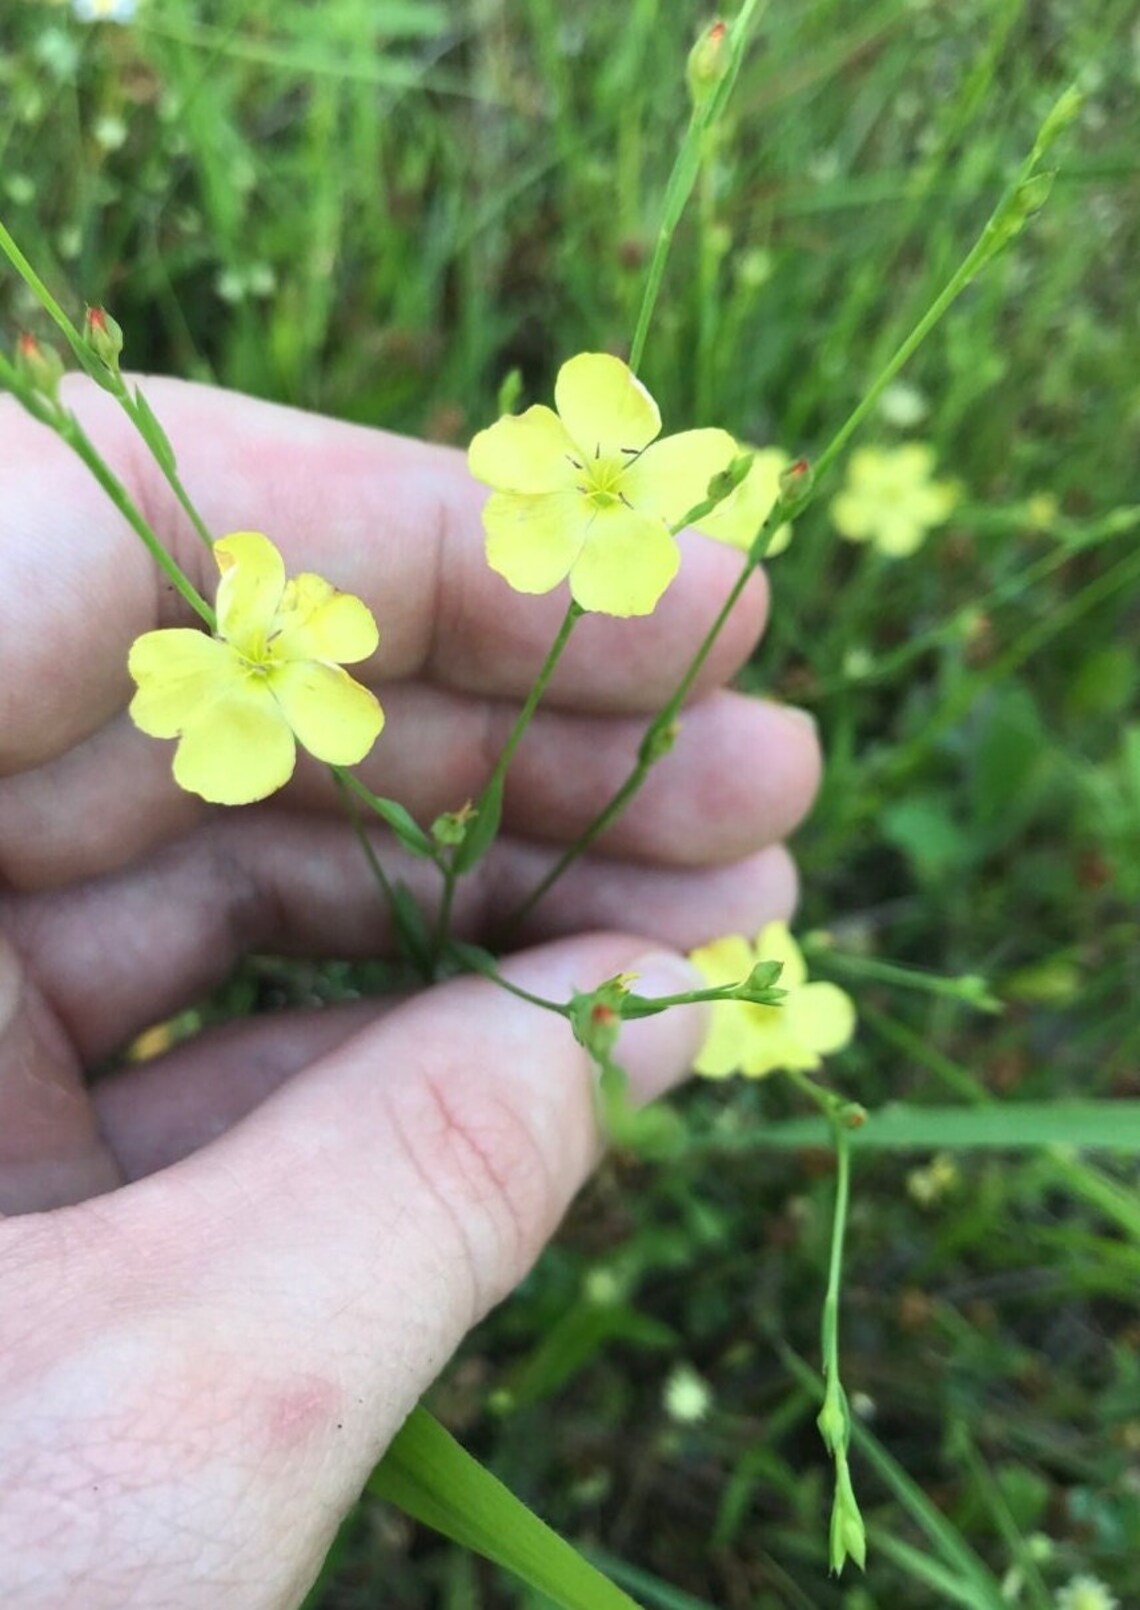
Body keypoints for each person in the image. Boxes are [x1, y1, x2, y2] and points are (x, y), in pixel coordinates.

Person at [0, 377, 820, 1607]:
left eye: (610, 474)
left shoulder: (621, 505)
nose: (603, 479)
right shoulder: (227, 656)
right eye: (598, 476)